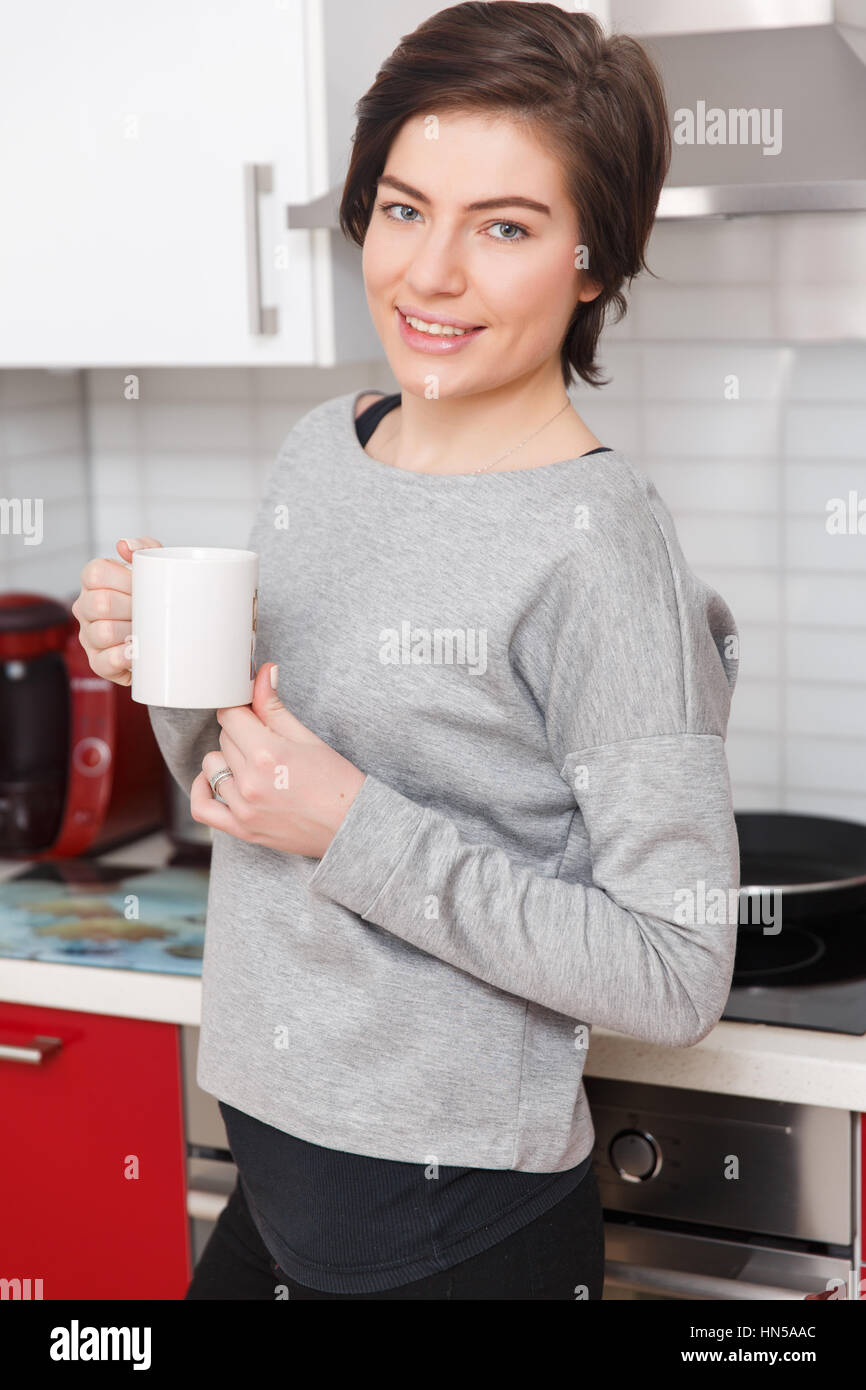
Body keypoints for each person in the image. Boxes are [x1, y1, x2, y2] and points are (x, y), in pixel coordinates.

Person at [72, 2, 740, 1300]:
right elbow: (250, 785)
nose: (429, 273)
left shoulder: (601, 547)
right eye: (401, 207)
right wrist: (157, 660)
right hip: (276, 1169)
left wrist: (354, 824)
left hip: (452, 1231)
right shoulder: (325, 446)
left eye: (503, 226)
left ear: (592, 262)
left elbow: (676, 968)